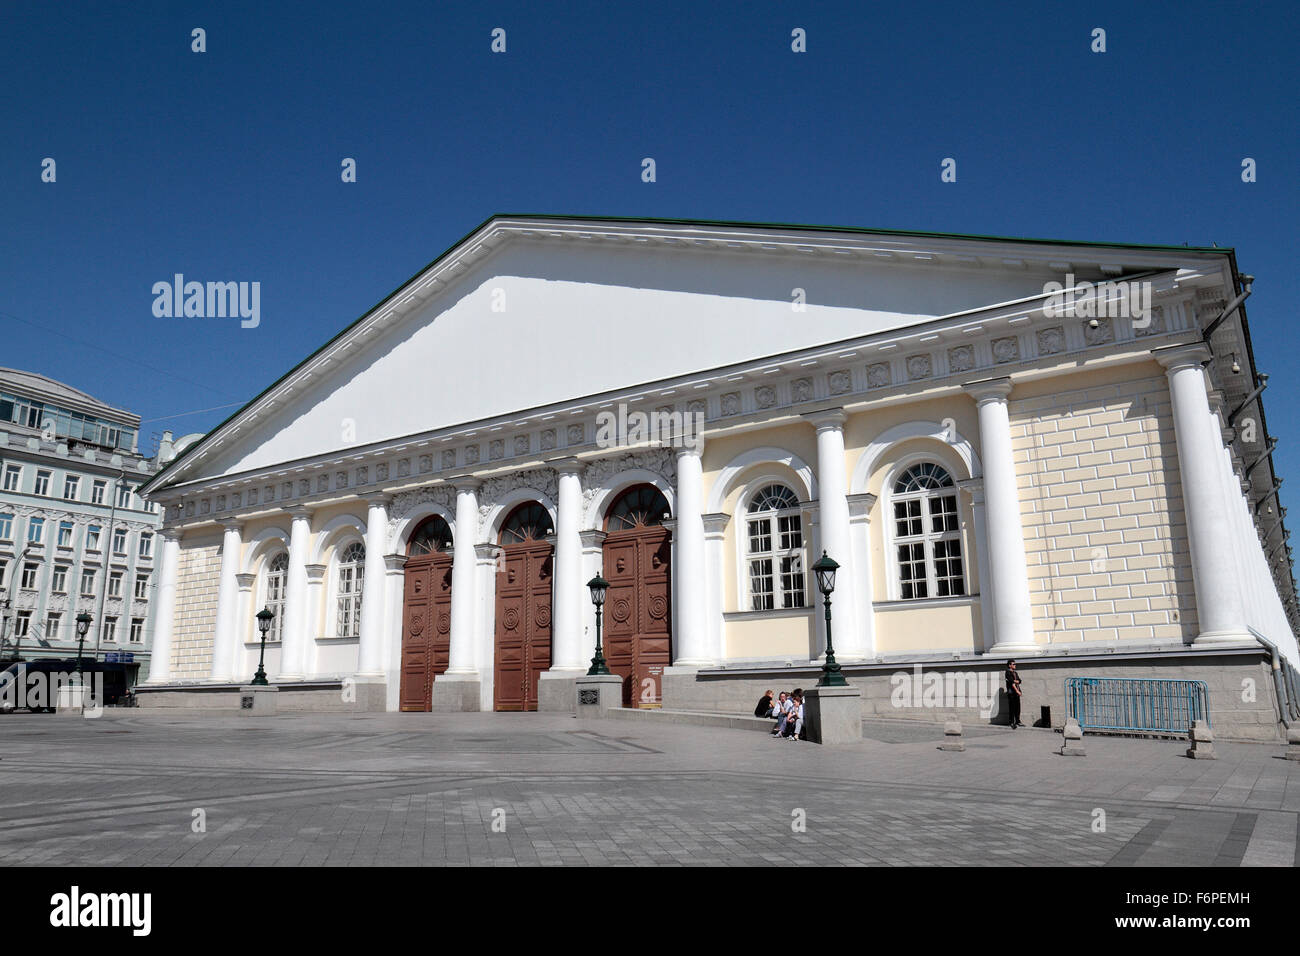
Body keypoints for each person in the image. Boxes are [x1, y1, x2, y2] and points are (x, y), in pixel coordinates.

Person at [1005, 660, 1024, 728]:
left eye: (1015, 664)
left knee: (1018, 708)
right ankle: (1011, 722)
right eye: (1013, 664)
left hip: (1016, 693)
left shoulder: (1015, 673)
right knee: (1012, 708)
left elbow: (1020, 681)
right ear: (1010, 665)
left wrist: (1016, 681)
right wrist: (1017, 691)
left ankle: (1018, 721)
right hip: (1012, 693)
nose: (1015, 665)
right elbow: (1011, 682)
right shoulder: (1007, 672)